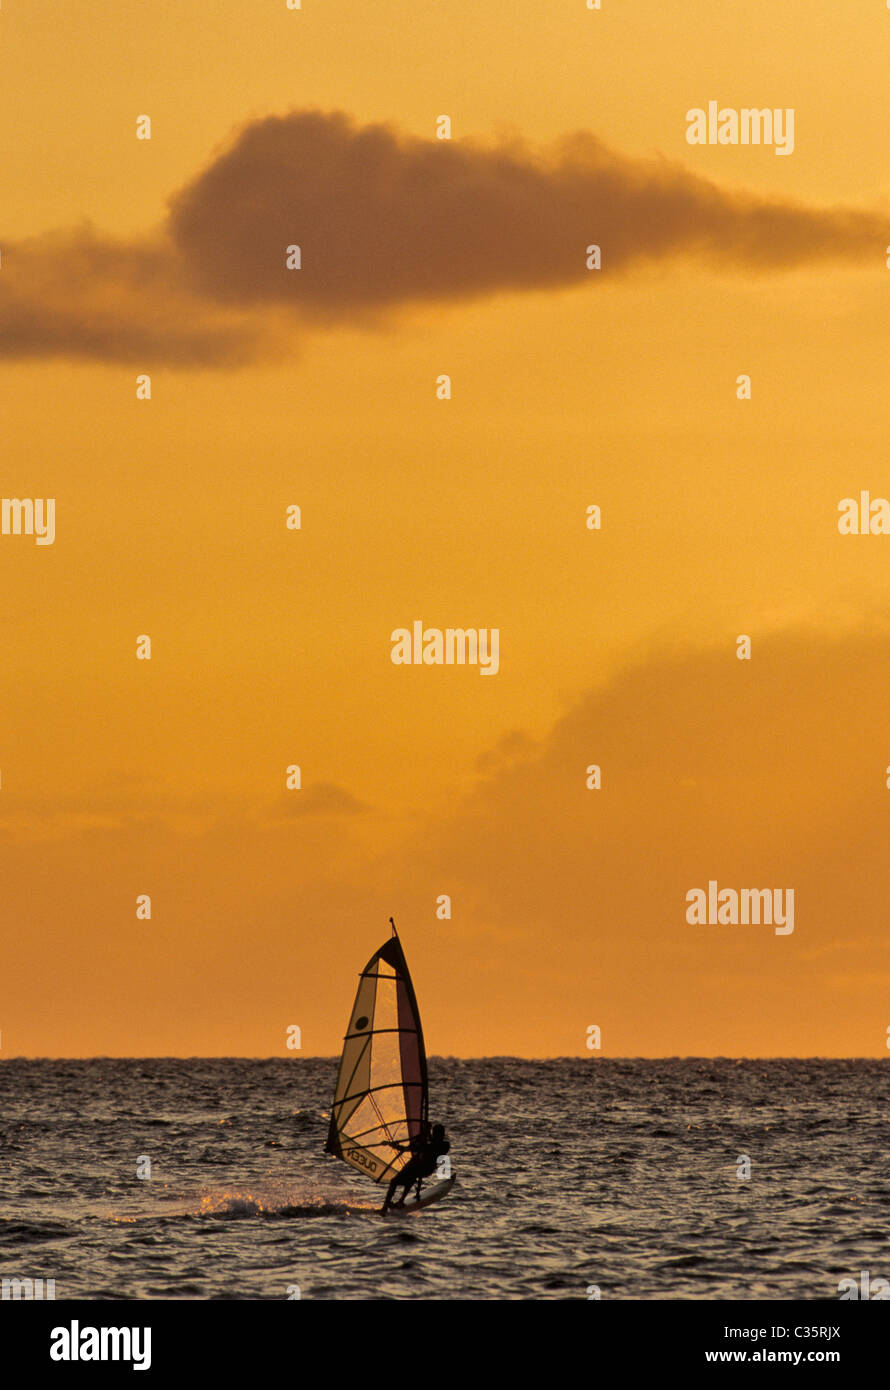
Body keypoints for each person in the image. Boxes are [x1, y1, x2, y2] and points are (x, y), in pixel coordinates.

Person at [382, 1122, 450, 1212]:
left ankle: (395, 1203)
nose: (436, 1136)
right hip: (417, 1167)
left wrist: (425, 1134)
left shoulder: (444, 1145)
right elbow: (405, 1149)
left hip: (425, 1169)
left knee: (407, 1176)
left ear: (441, 1135)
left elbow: (431, 1146)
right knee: (399, 1178)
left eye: (438, 1134)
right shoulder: (428, 1142)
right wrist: (391, 1144)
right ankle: (390, 1204)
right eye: (435, 1133)